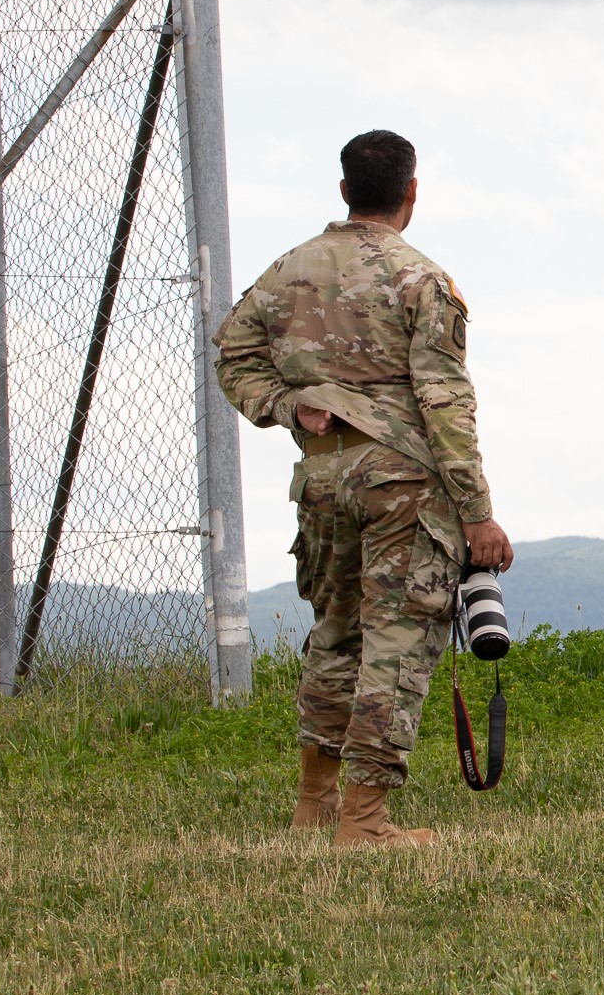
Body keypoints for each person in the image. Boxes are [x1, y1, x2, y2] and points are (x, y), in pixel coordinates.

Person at [214, 129, 514, 848]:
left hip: (320, 476)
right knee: (398, 644)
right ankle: (366, 822)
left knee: (336, 634)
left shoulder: (289, 270)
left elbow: (233, 354)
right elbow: (443, 401)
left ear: (345, 190)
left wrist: (289, 408)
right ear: (412, 192)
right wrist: (478, 515)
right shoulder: (422, 280)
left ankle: (313, 806)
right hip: (403, 482)